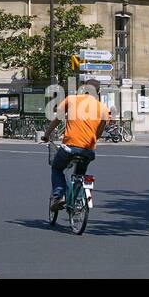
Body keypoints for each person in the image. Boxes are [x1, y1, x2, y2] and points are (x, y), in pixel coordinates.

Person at [42, 80, 110, 211]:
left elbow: (57, 119)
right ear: (98, 91)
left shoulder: (72, 99)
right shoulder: (103, 108)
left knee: (57, 168)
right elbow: (99, 134)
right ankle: (74, 202)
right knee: (80, 174)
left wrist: (47, 134)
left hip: (70, 146)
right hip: (88, 150)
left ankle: (59, 196)